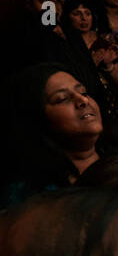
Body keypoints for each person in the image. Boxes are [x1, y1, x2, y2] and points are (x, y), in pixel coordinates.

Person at [1, 65, 107, 206]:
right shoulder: (30, 198)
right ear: (36, 118)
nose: (83, 100)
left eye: (84, 92)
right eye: (62, 99)